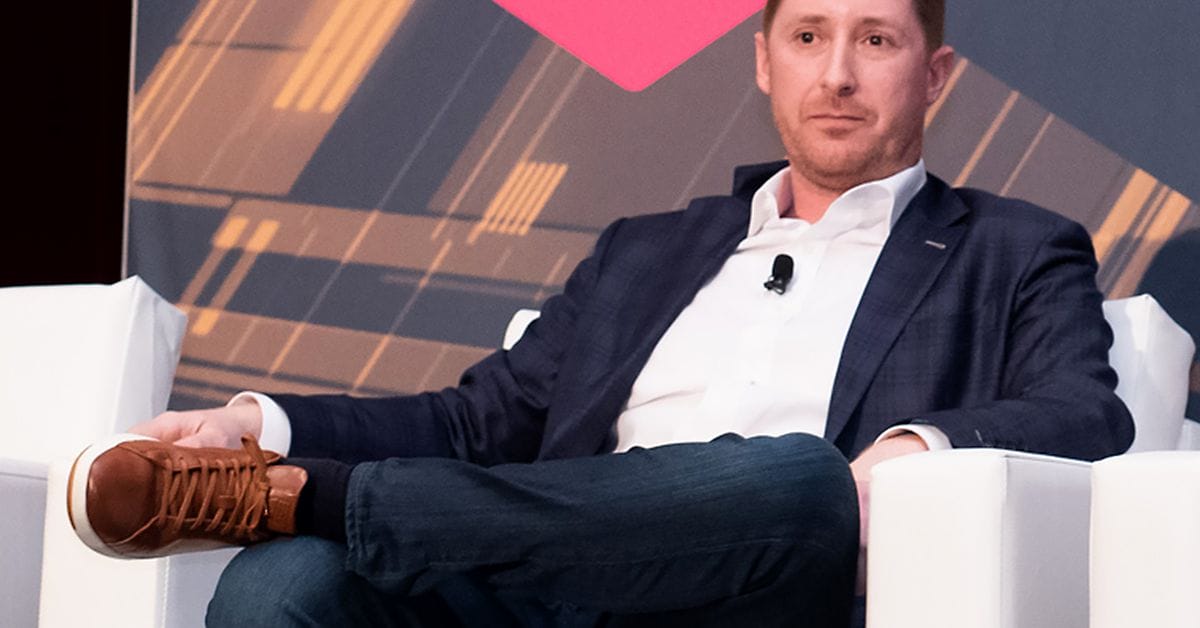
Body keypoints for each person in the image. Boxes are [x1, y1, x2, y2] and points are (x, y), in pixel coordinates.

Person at [67, 0, 1133, 625]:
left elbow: (1085, 410)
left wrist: (912, 445)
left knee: (799, 475)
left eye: (878, 42)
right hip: (557, 574)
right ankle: (301, 496)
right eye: (808, 35)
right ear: (763, 60)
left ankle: (311, 497)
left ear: (934, 75)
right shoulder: (646, 249)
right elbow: (476, 421)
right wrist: (259, 421)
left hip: (767, 577)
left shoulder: (1013, 245)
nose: (839, 75)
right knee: (281, 584)